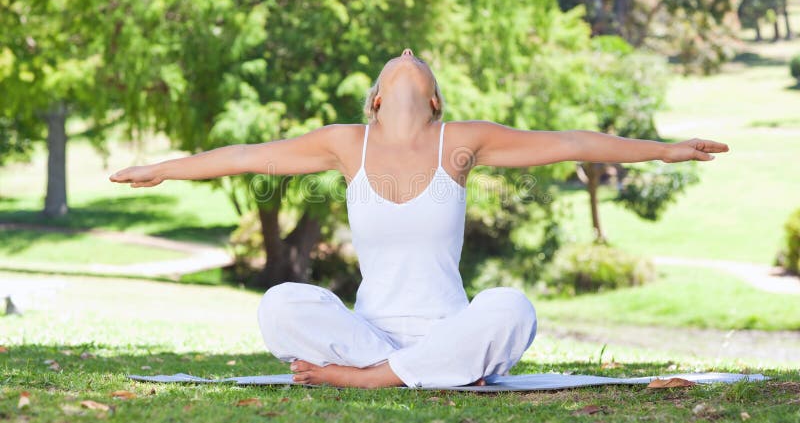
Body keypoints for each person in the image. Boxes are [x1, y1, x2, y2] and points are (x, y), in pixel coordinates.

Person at [109, 48, 729, 389]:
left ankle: (372, 382)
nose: (406, 54)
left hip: (449, 329)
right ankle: (397, 372)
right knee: (278, 304)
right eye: (396, 60)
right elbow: (247, 157)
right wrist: (161, 168)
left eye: (417, 60)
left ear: (434, 99)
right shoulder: (344, 143)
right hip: (367, 333)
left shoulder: (458, 141)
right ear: (376, 99)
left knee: (513, 308)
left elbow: (570, 141)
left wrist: (665, 150)